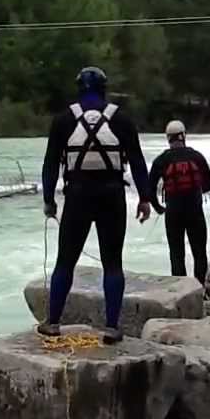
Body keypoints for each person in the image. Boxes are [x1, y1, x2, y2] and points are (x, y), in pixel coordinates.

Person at [40, 66, 152, 343]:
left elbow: (50, 164)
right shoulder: (121, 119)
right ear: (104, 89)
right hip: (111, 196)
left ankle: (53, 322)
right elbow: (137, 162)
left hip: (77, 196)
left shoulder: (64, 120)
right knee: (112, 264)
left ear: (79, 89)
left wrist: (49, 201)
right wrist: (145, 197)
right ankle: (112, 327)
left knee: (65, 261)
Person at [148, 120, 210, 283]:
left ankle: (180, 290)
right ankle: (200, 289)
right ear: (183, 136)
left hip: (173, 214)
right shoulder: (196, 156)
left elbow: (149, 188)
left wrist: (158, 207)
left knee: (176, 254)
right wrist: (198, 190)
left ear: (168, 138)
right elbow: (209, 183)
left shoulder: (161, 160)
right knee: (199, 253)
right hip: (195, 212)